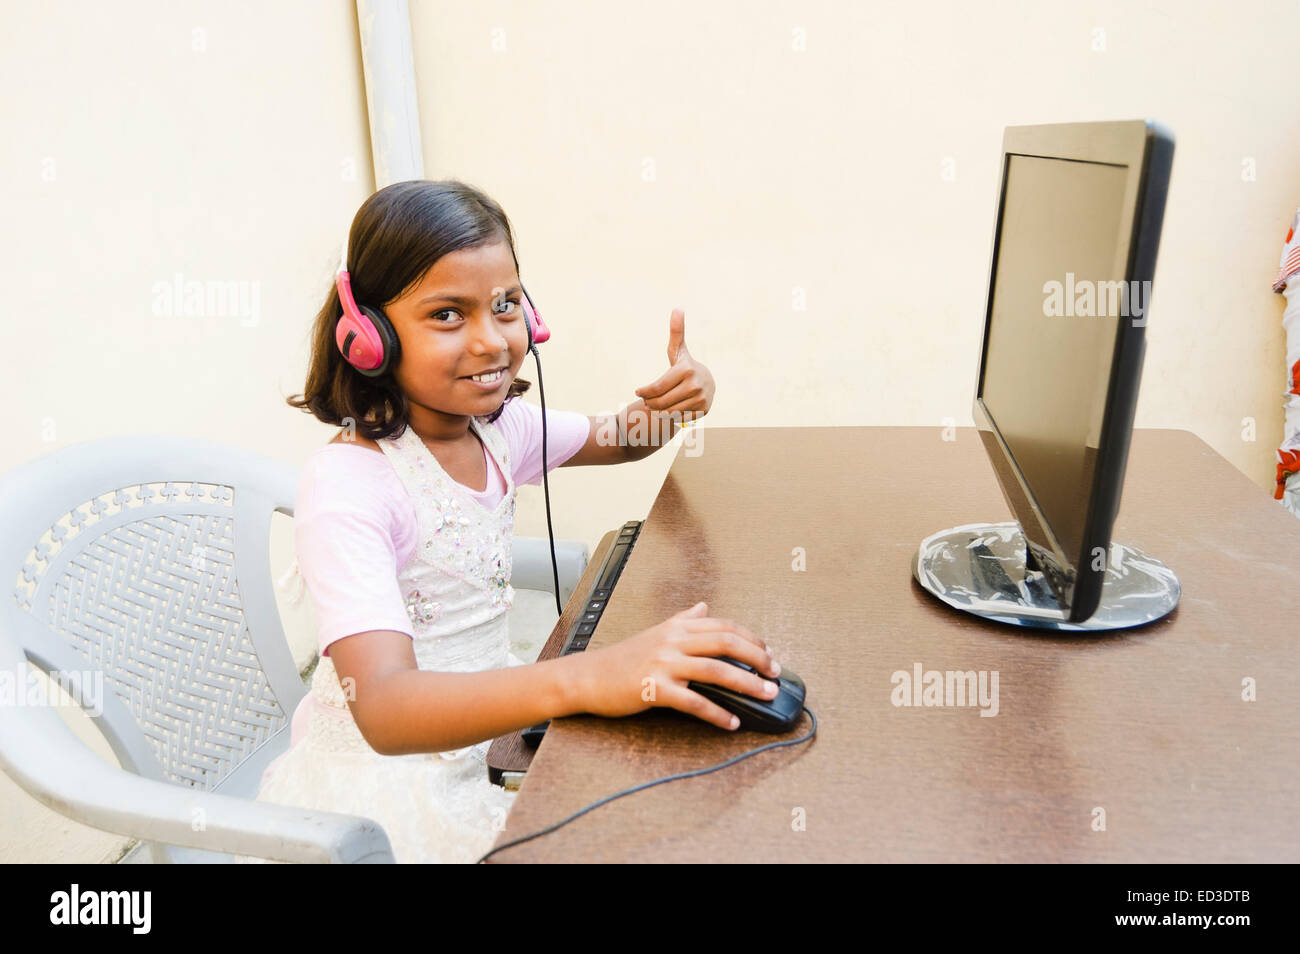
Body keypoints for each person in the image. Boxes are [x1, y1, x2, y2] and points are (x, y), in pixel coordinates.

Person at [242, 179, 783, 864]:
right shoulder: (351, 484)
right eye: (447, 314)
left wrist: (681, 400)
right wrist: (593, 676)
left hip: (493, 740)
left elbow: (622, 435)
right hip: (389, 791)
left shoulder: (498, 430)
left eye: (505, 305)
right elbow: (384, 706)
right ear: (368, 337)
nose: (492, 340)